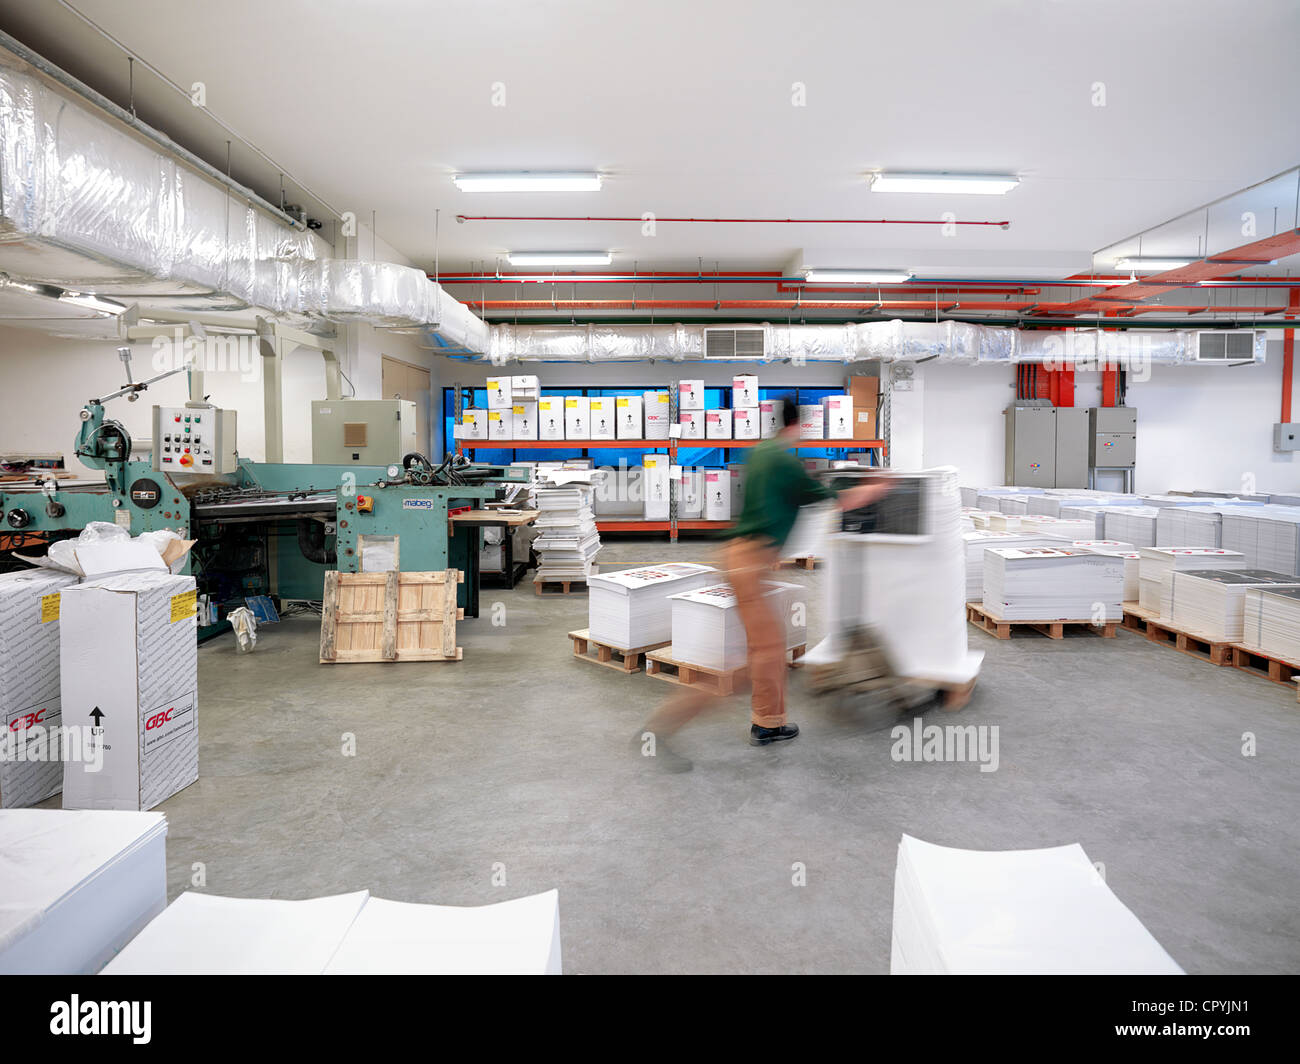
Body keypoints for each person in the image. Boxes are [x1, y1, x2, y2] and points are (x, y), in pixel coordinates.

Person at [637, 397, 891, 771]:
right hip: (749, 564)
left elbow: (776, 502)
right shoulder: (785, 461)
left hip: (744, 559)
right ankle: (659, 731)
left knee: (767, 652)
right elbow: (837, 500)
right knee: (755, 661)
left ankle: (768, 723)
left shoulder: (760, 453)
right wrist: (879, 486)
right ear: (799, 426)